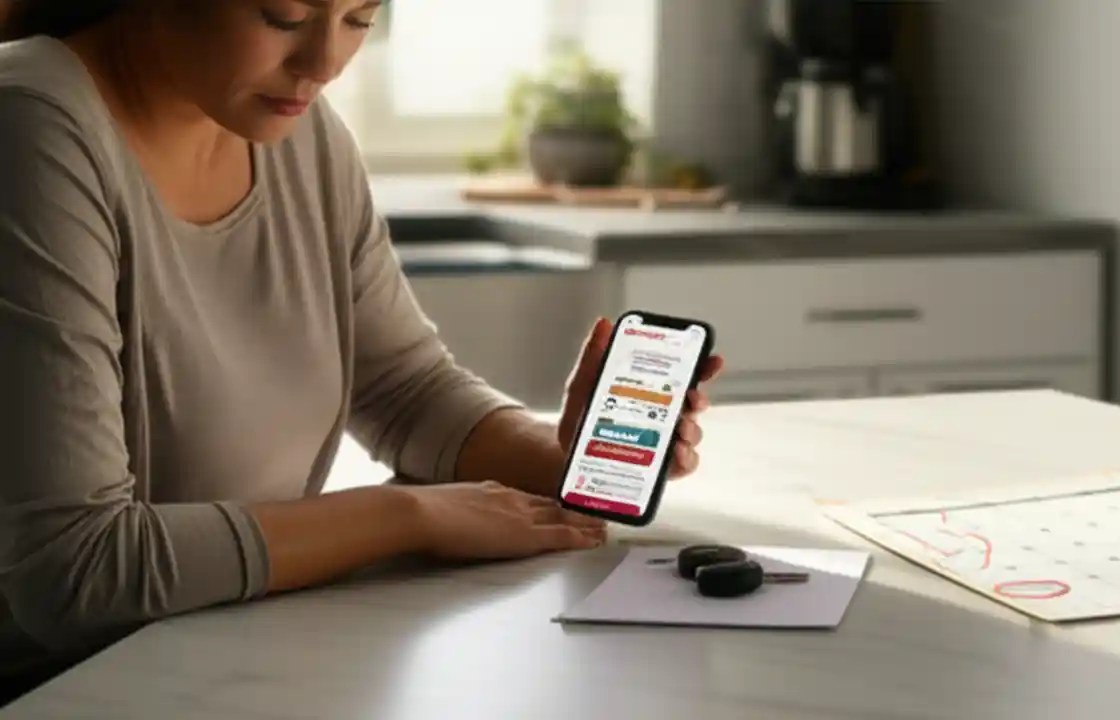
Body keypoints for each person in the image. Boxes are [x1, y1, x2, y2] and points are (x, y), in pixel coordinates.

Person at [0, 0, 726, 704]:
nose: (325, 63)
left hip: (225, 662)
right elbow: (73, 569)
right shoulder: (30, 127)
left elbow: (407, 389)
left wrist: (568, 462)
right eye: (281, 17)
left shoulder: (300, 135)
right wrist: (409, 516)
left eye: (360, 18)